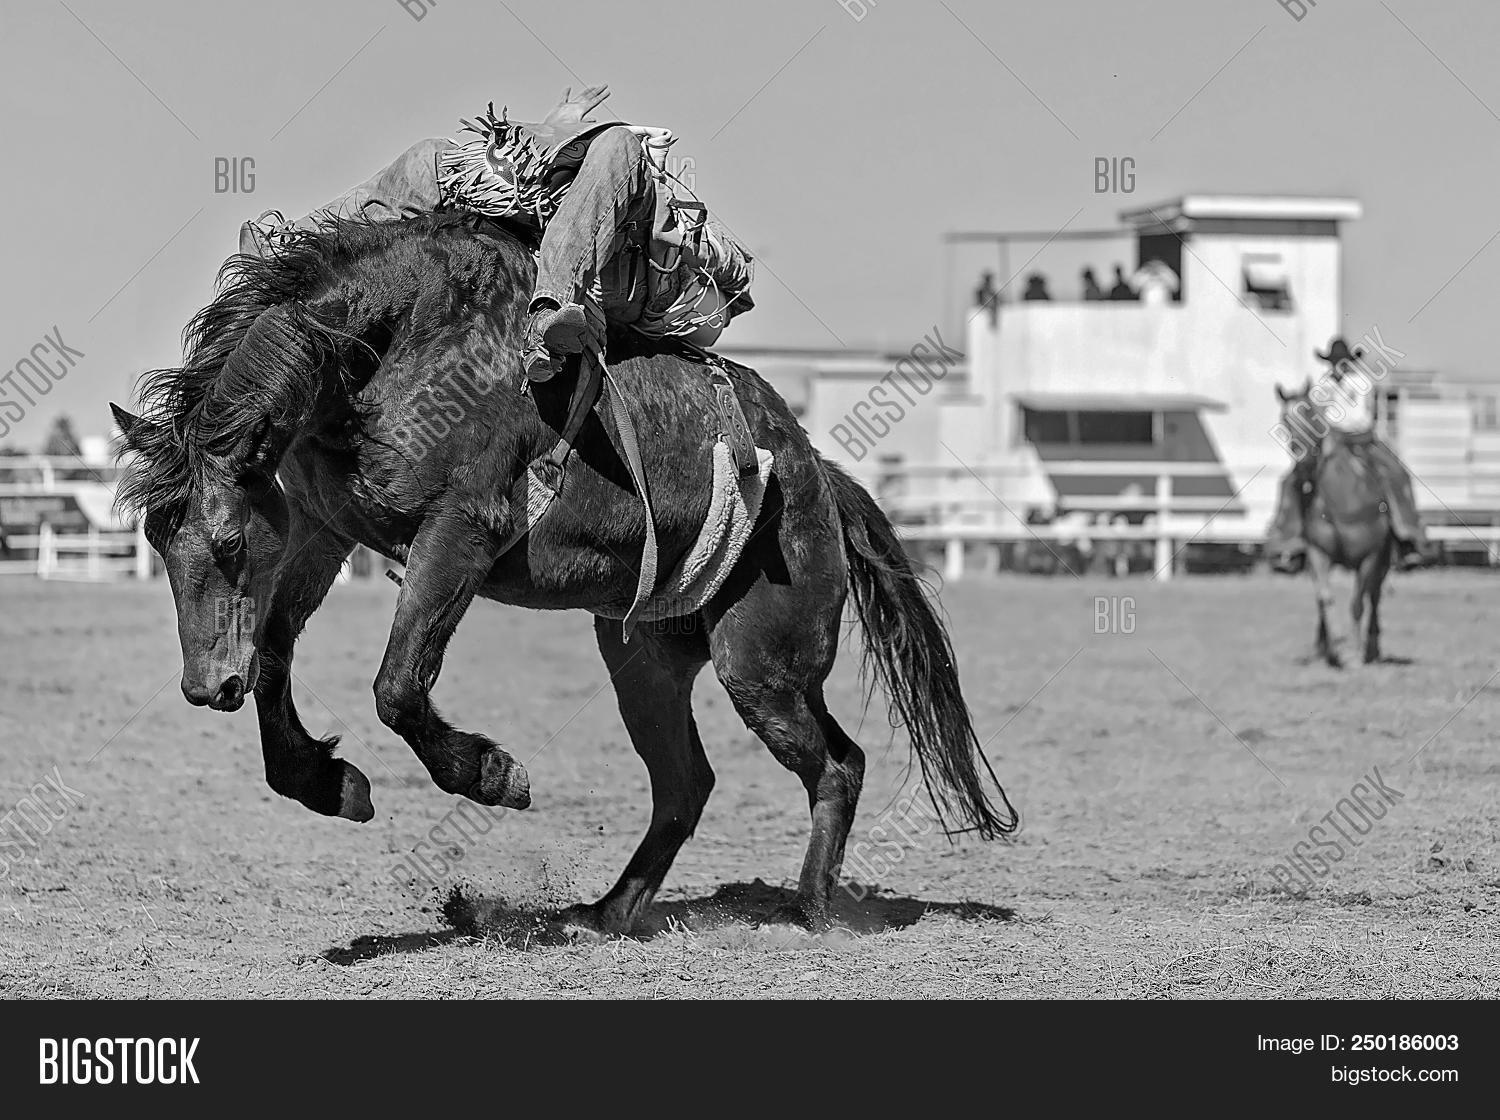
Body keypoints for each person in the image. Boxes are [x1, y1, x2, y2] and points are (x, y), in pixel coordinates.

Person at [240, 85, 754, 382]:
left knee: (618, 143)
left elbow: (617, 193)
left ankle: (547, 318)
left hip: (634, 274)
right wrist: (557, 127)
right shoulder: (559, 170)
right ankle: (291, 246)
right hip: (556, 233)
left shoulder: (652, 194)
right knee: (427, 157)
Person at [1266, 337, 1427, 572]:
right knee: (1292, 481)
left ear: (1350, 363)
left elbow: (1362, 417)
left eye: (1341, 362)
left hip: (1361, 439)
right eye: (1333, 362)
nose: (1337, 367)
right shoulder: (1323, 386)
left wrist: (1338, 430)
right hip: (1331, 440)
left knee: (1396, 473)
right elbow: (1316, 416)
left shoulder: (1362, 382)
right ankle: (1290, 541)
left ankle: (1406, 536)